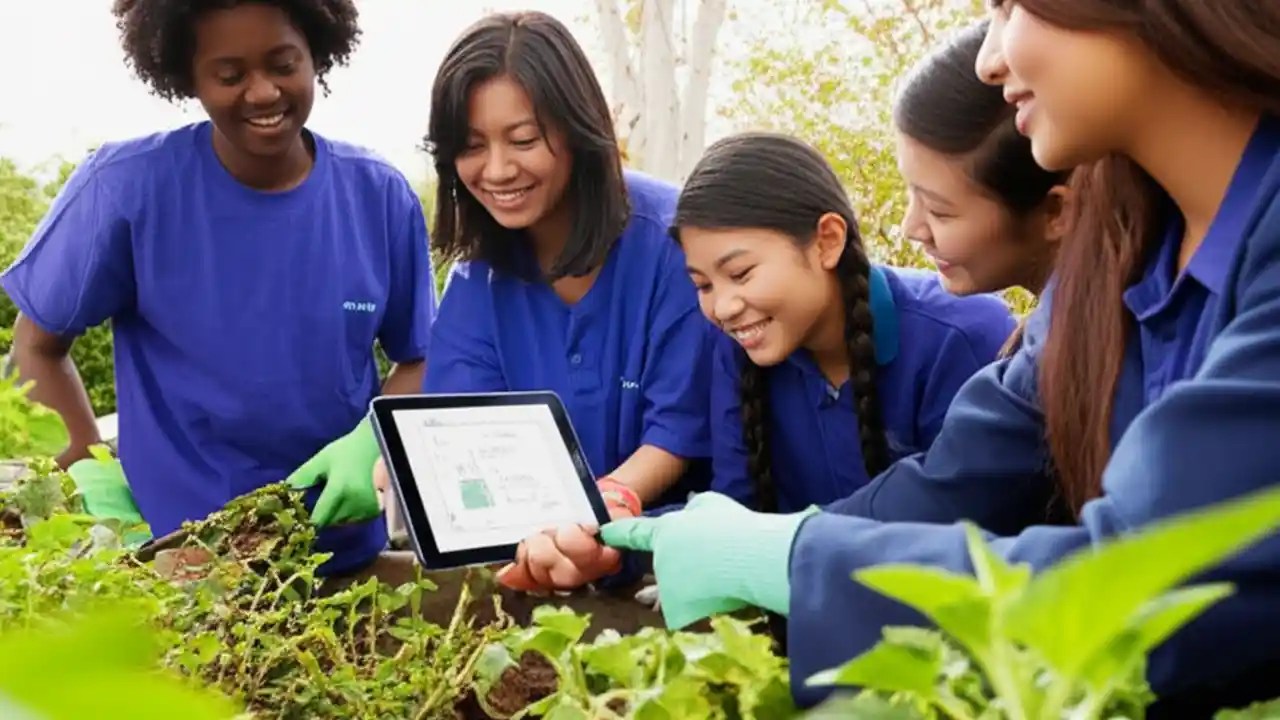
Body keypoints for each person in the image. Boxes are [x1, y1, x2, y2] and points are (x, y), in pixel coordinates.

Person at [601, 0, 1280, 713]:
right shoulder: (1119, 256)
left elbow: (1140, 586)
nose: (990, 58)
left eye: (1011, 7)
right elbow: (955, 478)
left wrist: (787, 560)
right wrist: (704, 538)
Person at [493, 20, 1073, 593]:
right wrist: (616, 539)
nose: (722, 306)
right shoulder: (739, 352)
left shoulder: (965, 336)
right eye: (701, 283)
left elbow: (948, 519)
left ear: (826, 241)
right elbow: (737, 518)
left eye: (740, 273)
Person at [1, 0, 436, 576]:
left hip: (342, 558)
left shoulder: (377, 196)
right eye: (230, 76)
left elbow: (421, 357)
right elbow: (37, 346)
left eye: (283, 65)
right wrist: (89, 468)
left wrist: (374, 440)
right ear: (189, 77)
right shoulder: (125, 190)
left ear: (316, 55)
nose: (262, 93)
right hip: (173, 563)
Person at [370, 10, 713, 586]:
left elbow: (677, 431)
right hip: (538, 567)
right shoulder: (477, 284)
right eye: (472, 146)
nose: (497, 170)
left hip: (672, 573)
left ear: (578, 132)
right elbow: (467, 435)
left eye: (524, 140)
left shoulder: (675, 244)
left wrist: (599, 512)